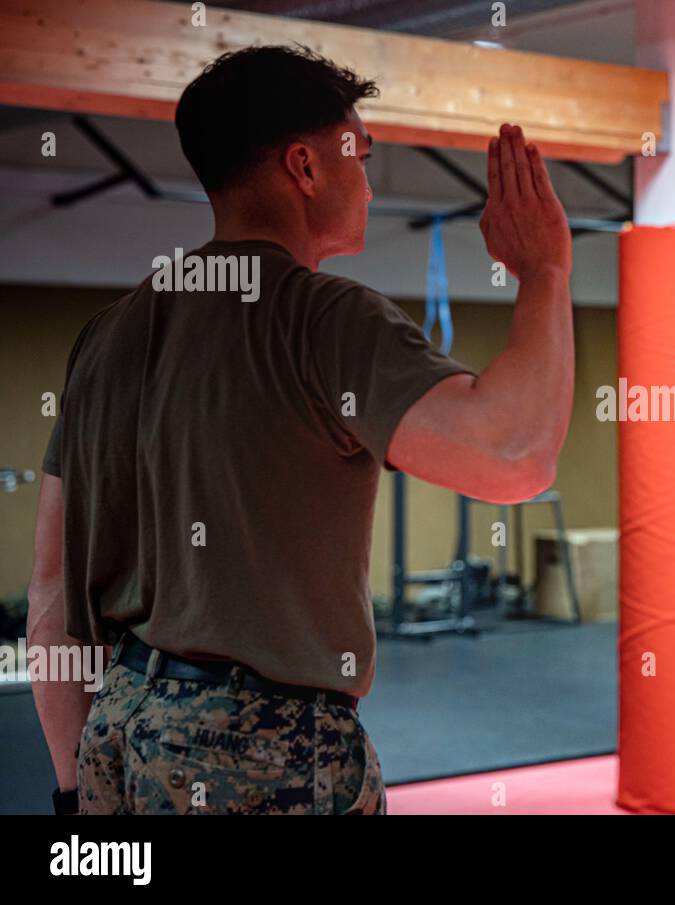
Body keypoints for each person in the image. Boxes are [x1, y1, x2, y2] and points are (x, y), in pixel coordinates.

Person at [26, 46, 575, 814]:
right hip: (256, 752)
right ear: (306, 167)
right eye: (361, 157)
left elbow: (52, 589)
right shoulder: (324, 317)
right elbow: (515, 456)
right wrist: (545, 273)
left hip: (115, 734)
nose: (369, 183)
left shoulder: (105, 336)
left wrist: (74, 788)